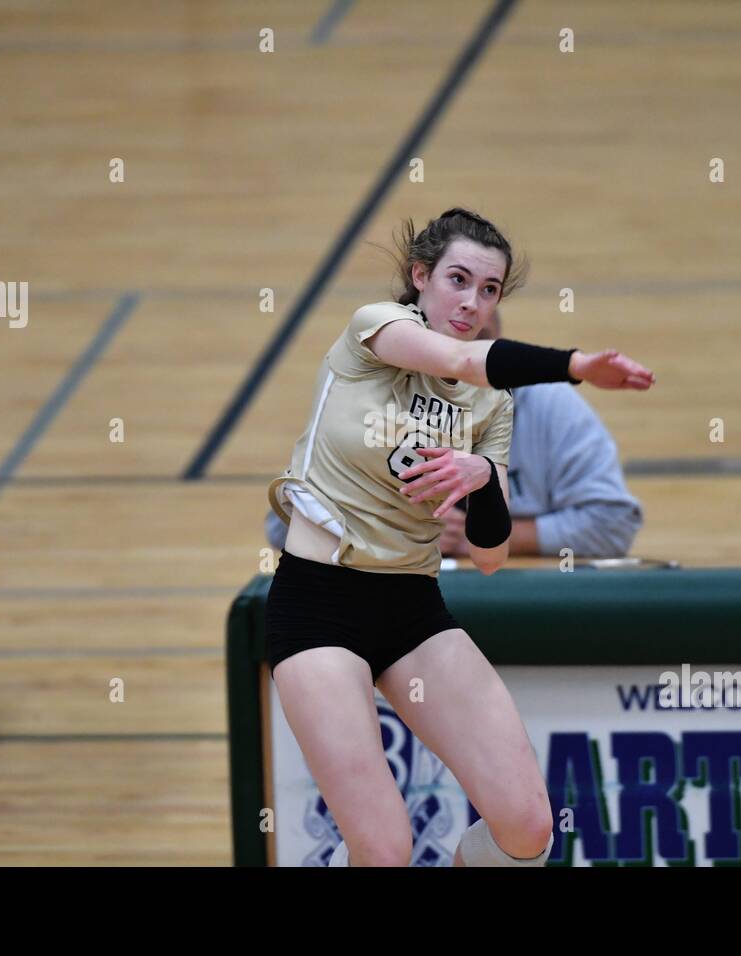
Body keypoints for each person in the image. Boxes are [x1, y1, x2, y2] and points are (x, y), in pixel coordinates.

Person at [264, 208, 654, 866]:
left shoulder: (492, 405)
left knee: (528, 826)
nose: (472, 301)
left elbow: (492, 556)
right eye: (458, 280)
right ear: (420, 277)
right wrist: (579, 363)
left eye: (490, 289)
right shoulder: (374, 330)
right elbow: (454, 358)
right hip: (317, 604)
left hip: (412, 608)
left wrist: (481, 480)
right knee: (385, 847)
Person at [263, 307, 643, 559]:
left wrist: (484, 536)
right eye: (453, 352)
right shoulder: (372, 398)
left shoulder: (550, 404)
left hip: (515, 603)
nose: (468, 367)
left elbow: (613, 525)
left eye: (483, 353)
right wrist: (400, 530)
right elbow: (283, 524)